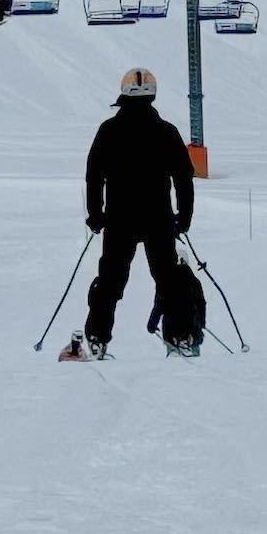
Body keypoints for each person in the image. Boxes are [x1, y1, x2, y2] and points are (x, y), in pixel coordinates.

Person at [81, 68, 203, 357]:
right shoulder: (166, 131)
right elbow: (184, 178)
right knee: (168, 280)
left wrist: (95, 214)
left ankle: (97, 338)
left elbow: (94, 175)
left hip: (119, 220)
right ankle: (181, 336)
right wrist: (183, 218)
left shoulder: (109, 130)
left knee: (109, 282)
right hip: (157, 219)